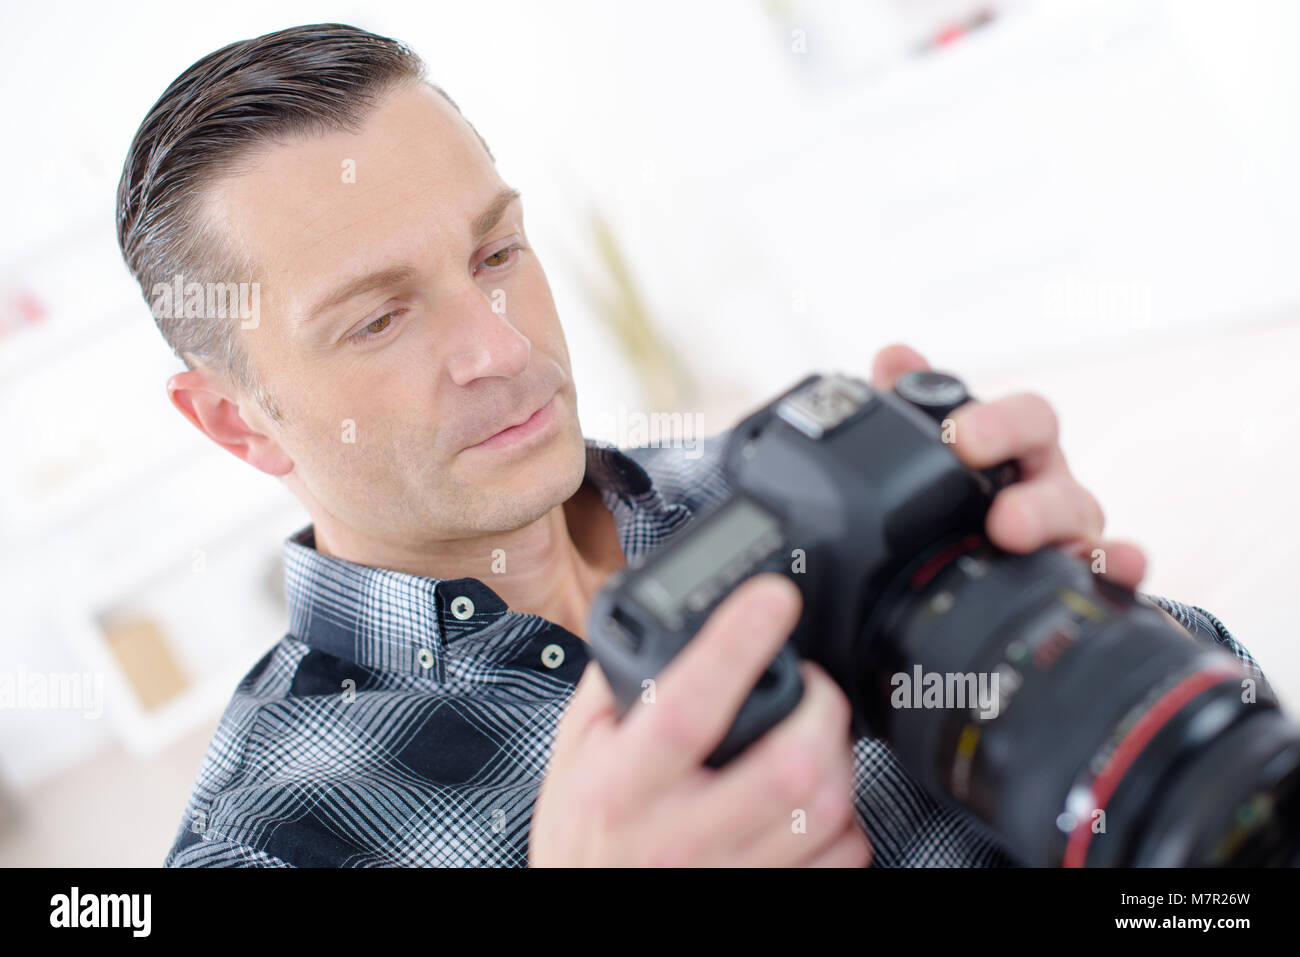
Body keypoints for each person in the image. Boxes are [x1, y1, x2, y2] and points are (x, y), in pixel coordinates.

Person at [115, 23, 1272, 867]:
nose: (503, 349)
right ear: (232, 418)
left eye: (495, 253)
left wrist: (1070, 622)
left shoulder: (775, 489)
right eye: (378, 319)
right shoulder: (268, 844)